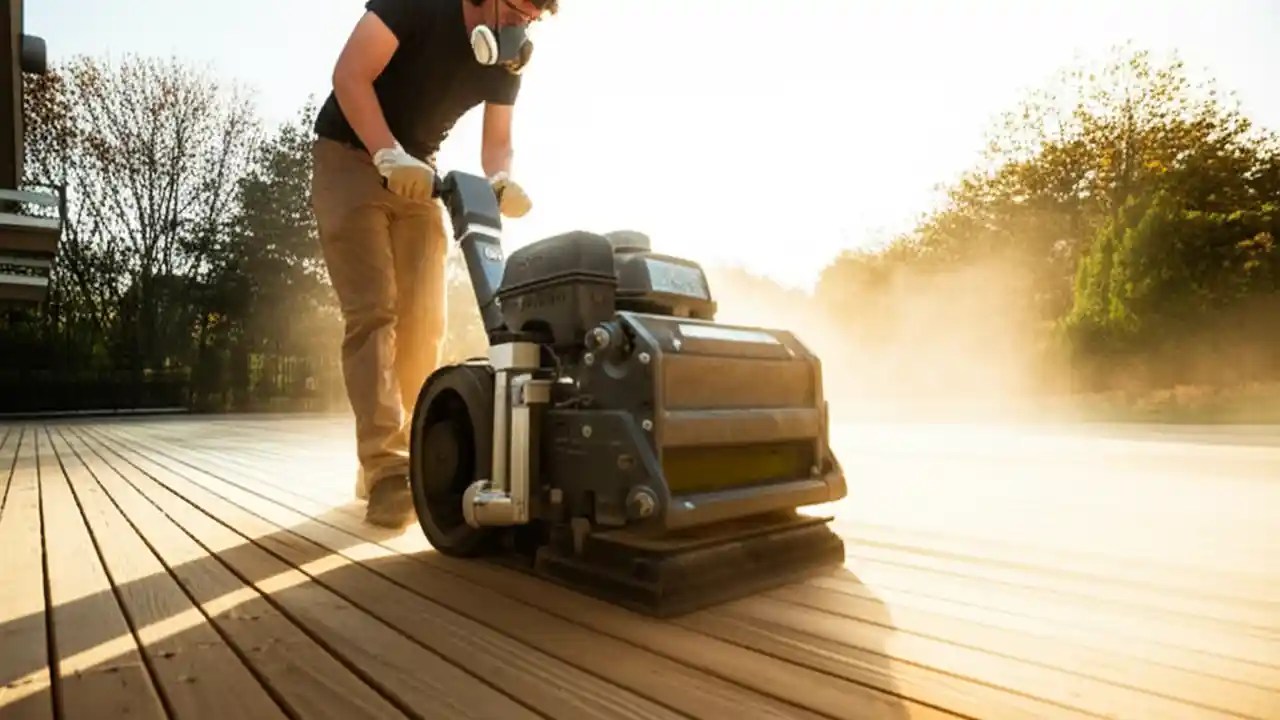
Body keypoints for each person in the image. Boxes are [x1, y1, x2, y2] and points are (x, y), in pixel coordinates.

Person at [310, 0, 555, 528]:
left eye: (533, 19)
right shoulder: (418, 4)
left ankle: (405, 453)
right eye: (517, 11)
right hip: (349, 152)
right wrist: (385, 153)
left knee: (425, 319)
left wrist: (500, 180)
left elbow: (498, 144)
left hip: (419, 172)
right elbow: (350, 75)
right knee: (375, 311)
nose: (521, 26)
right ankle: (385, 470)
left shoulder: (506, 56)